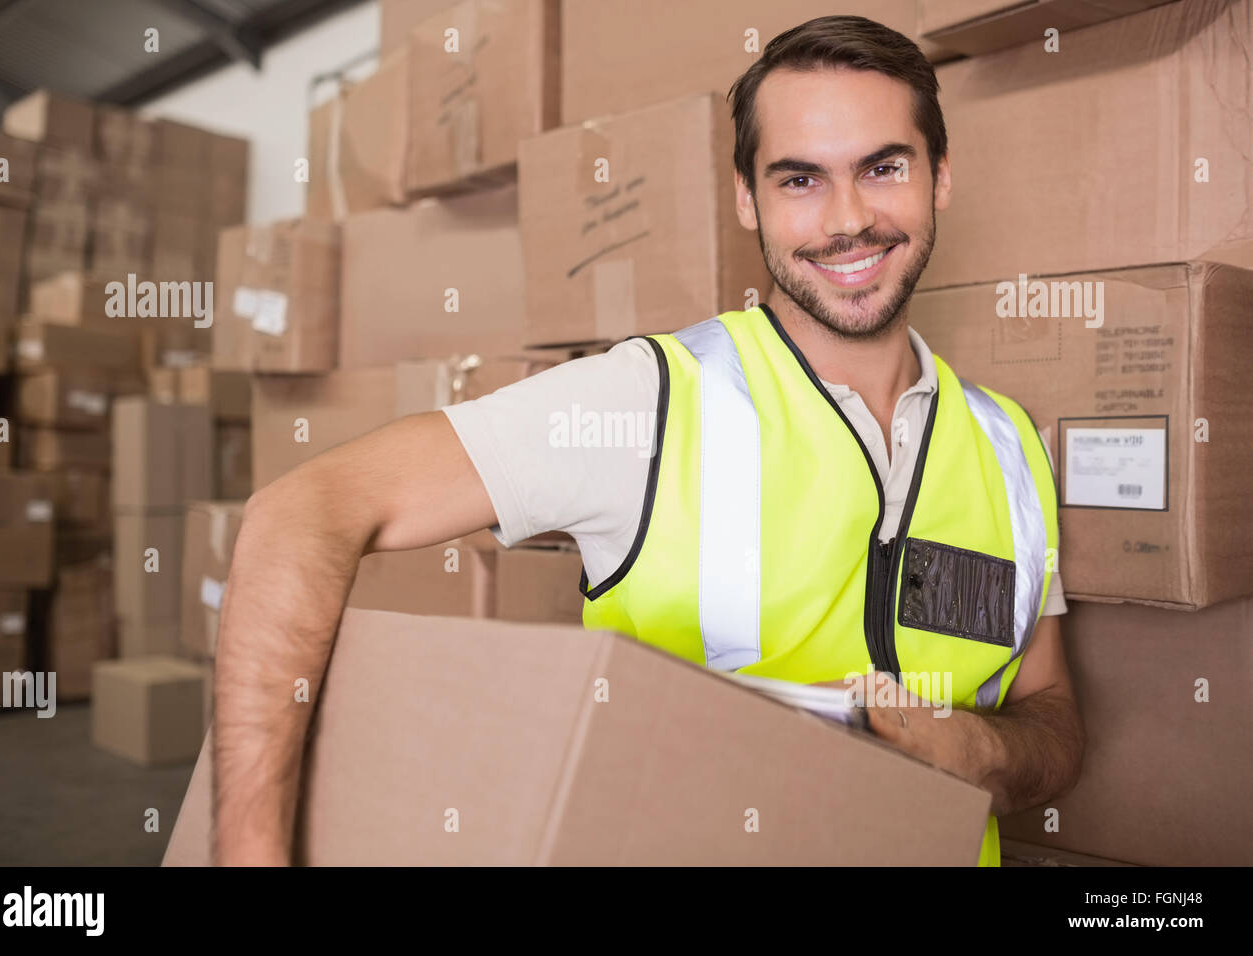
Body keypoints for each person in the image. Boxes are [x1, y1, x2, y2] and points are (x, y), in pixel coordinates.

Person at [212, 15, 1085, 867]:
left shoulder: (1007, 448)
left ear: (940, 178)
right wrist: (249, 849)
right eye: (799, 179)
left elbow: (1052, 717)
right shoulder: (647, 402)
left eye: (883, 167)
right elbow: (302, 511)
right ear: (746, 197)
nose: (847, 218)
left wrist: (975, 749)